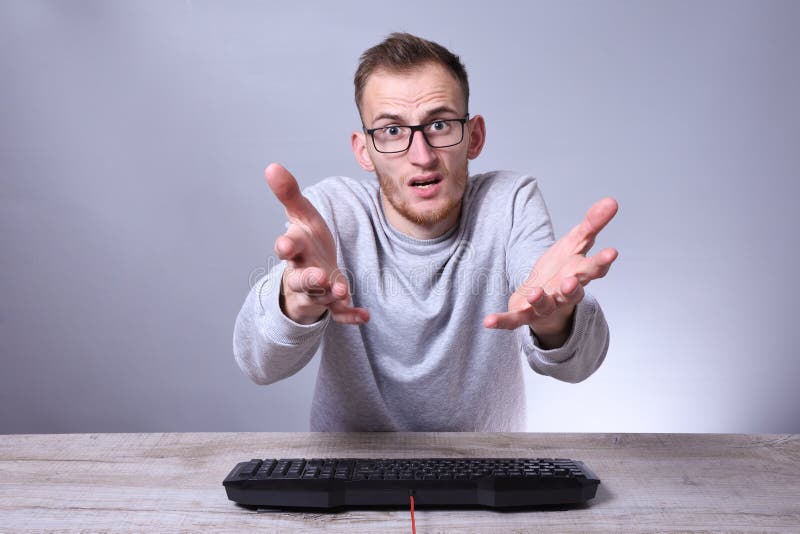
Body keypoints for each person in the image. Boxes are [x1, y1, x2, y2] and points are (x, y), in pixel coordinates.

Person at [233, 32, 619, 431]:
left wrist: (556, 319)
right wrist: (295, 304)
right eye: (392, 131)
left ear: (475, 137)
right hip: (351, 477)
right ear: (364, 150)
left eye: (439, 124)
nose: (422, 157)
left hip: (486, 476)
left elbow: (580, 365)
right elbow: (258, 365)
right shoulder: (331, 213)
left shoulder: (509, 202)